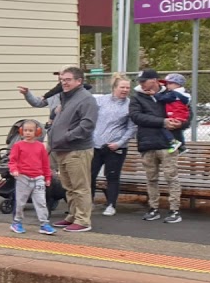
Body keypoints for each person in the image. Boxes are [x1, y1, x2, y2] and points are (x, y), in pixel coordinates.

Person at [129, 68, 189, 223]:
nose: (142, 84)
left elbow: (187, 114)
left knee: (171, 177)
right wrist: (162, 121)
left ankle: (174, 210)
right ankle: (153, 208)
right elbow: (136, 116)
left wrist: (180, 123)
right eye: (140, 81)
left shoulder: (172, 94)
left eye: (144, 81)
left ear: (155, 80)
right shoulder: (137, 97)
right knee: (151, 178)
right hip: (147, 143)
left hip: (169, 144)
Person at [47, 66, 98, 232]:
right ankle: (73, 215)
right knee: (69, 187)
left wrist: (66, 137)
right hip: (62, 149)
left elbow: (87, 125)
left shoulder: (86, 99)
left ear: (79, 81)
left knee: (80, 187)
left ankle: (83, 220)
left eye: (68, 80)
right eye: (62, 80)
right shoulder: (65, 97)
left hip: (77, 150)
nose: (64, 83)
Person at [90, 74, 137, 216]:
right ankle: (88, 202)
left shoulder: (130, 105)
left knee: (112, 176)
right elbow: (90, 118)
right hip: (96, 145)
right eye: (122, 87)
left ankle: (111, 205)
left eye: (127, 88)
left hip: (116, 147)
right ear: (114, 87)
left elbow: (132, 128)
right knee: (90, 174)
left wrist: (119, 143)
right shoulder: (100, 101)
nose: (125, 90)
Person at [7, 120, 55, 235]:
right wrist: (14, 170)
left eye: (30, 130)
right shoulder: (18, 145)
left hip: (38, 178)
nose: (27, 133)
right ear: (21, 131)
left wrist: (47, 177)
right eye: (25, 130)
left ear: (37, 132)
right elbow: (12, 161)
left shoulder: (40, 147)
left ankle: (44, 224)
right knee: (20, 202)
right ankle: (16, 222)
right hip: (23, 178)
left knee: (41, 202)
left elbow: (45, 164)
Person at [19, 74, 93, 133]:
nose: (61, 79)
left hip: (72, 130)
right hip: (53, 129)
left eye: (66, 78)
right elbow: (38, 103)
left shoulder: (80, 94)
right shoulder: (53, 94)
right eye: (60, 77)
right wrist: (27, 94)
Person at [155, 73, 191, 152]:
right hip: (181, 116)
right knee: (177, 131)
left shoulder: (175, 94)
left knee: (163, 127)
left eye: (170, 83)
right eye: (166, 84)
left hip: (176, 115)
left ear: (178, 84)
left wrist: (155, 94)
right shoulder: (183, 93)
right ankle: (182, 146)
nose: (167, 86)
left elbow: (162, 98)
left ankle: (173, 142)